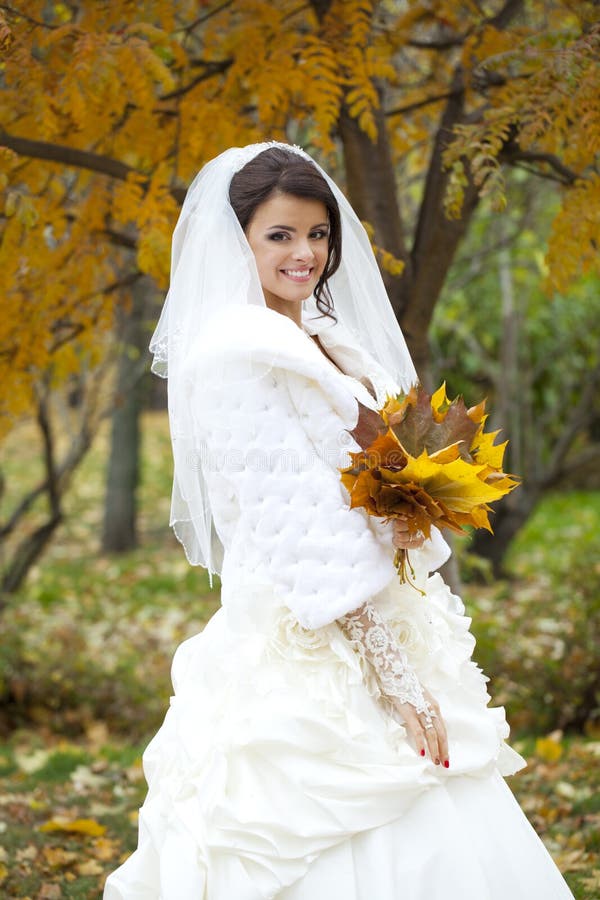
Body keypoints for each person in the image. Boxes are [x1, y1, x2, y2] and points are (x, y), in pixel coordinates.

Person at [103, 142, 573, 899]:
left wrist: (413, 507)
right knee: (335, 812)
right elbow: (290, 521)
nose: (305, 254)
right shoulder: (234, 356)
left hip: (377, 601)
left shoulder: (322, 336)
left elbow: (358, 468)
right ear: (239, 242)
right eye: (279, 236)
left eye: (317, 234)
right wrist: (392, 676)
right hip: (310, 631)